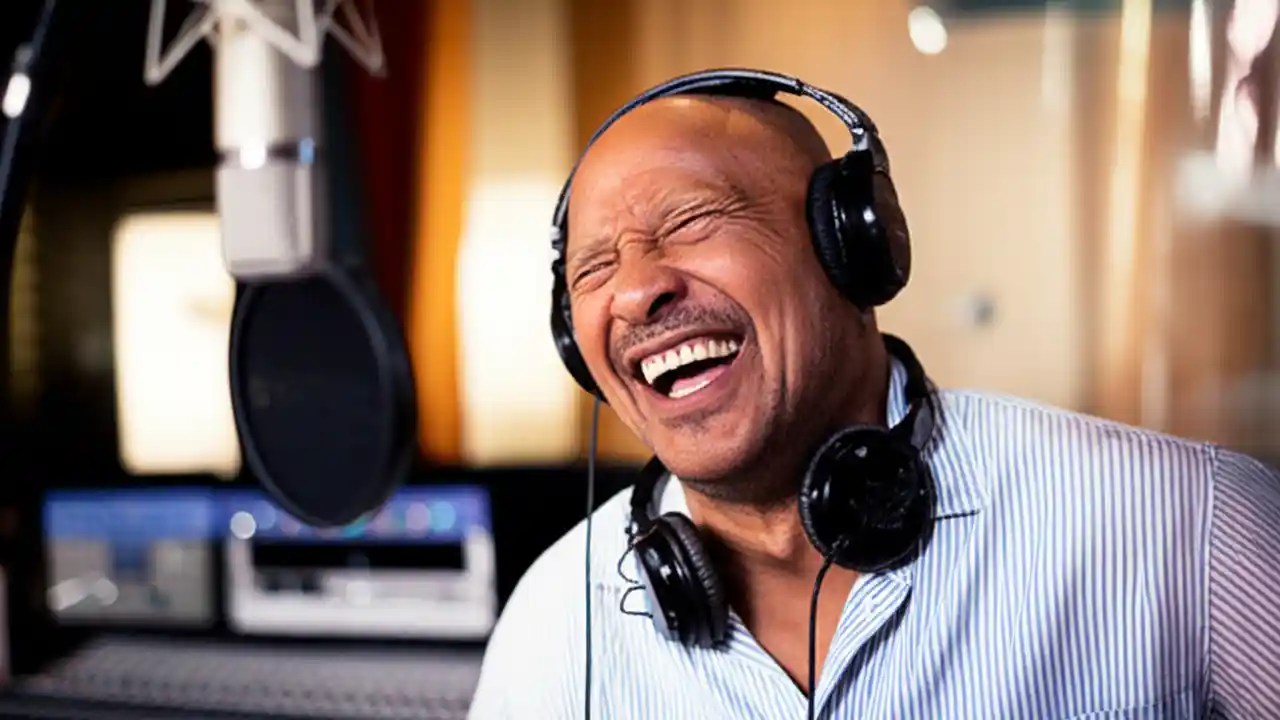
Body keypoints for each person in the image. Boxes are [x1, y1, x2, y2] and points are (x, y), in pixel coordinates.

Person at [467, 70, 1280, 719]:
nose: (638, 291)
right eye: (593, 270)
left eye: (693, 222)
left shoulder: (1186, 526)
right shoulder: (551, 627)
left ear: (853, 245)